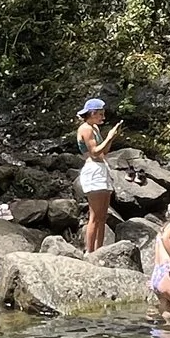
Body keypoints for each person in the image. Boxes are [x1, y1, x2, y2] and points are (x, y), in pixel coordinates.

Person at [75, 99, 121, 254]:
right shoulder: (86, 128)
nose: (103, 117)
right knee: (94, 216)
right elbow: (94, 152)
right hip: (93, 171)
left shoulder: (94, 128)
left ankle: (99, 250)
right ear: (92, 113)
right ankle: (89, 252)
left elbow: (103, 152)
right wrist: (108, 137)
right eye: (100, 114)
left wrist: (112, 138)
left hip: (102, 169)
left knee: (103, 216)